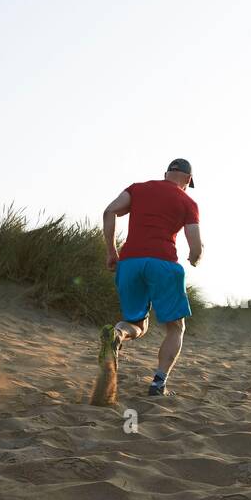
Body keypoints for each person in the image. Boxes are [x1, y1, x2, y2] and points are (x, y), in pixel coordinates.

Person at [99, 158, 203, 397]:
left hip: (129, 263)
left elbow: (110, 211)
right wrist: (195, 257)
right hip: (163, 263)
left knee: (135, 323)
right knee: (176, 327)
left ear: (166, 173)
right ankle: (158, 383)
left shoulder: (138, 188)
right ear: (187, 180)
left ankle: (117, 334)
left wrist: (111, 252)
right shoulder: (188, 201)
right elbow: (195, 245)